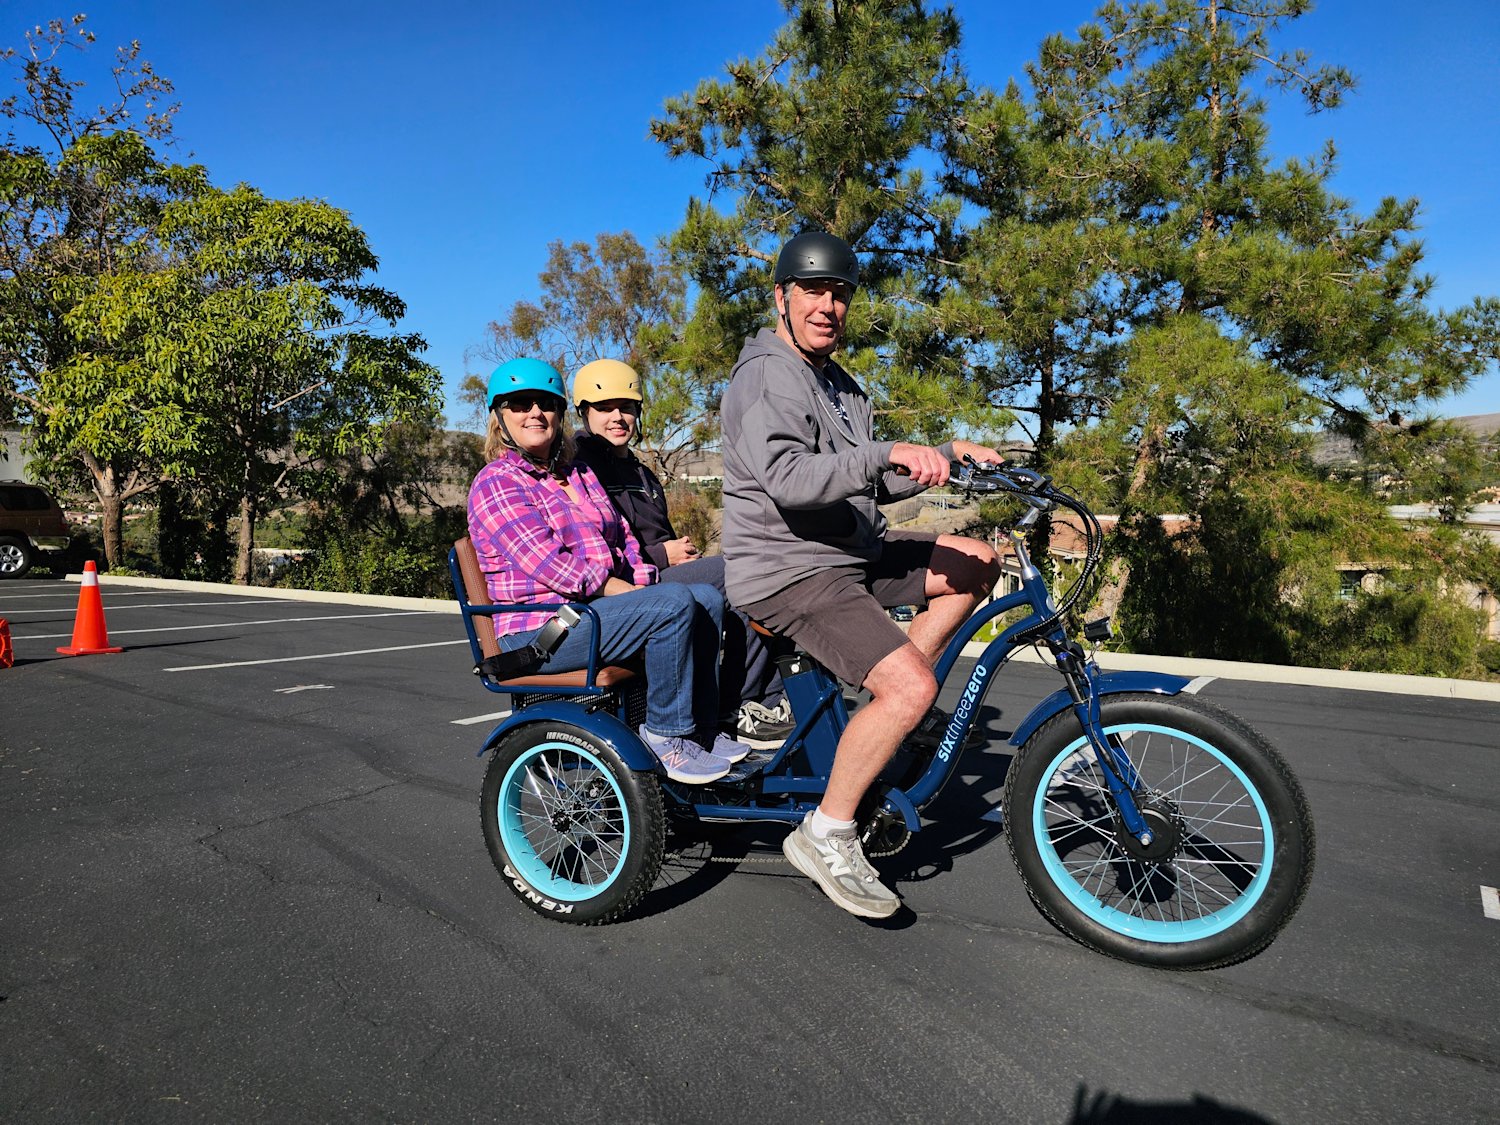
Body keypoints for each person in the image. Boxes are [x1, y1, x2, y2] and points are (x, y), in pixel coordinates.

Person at [719, 230, 1004, 918]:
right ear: (781, 296)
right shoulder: (766, 374)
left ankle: (889, 710)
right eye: (813, 290)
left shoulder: (839, 383)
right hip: (788, 568)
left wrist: (943, 456)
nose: (828, 305)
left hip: (846, 549)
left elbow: (864, 483)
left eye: (839, 293)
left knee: (977, 562)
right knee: (912, 685)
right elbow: (790, 480)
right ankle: (827, 831)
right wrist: (882, 453)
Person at [466, 356, 747, 784]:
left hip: (588, 614)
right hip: (541, 629)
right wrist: (638, 595)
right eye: (521, 404)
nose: (535, 413)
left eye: (546, 403)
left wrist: (644, 579)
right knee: (673, 603)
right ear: (500, 417)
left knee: (704, 597)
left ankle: (703, 730)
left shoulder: (576, 473)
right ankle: (667, 736)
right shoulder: (497, 481)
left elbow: (623, 541)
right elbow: (554, 568)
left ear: (560, 414)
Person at [569, 358, 793, 748]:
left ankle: (770, 699)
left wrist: (681, 555)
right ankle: (739, 706)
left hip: (659, 575)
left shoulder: (641, 473)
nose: (618, 417)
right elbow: (594, 550)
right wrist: (661, 556)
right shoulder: (582, 469)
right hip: (627, 587)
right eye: (604, 409)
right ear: (583, 413)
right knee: (741, 572)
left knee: (763, 571)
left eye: (627, 408)